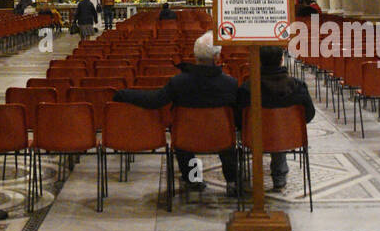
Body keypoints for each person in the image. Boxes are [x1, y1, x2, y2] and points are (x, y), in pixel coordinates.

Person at [114, 31, 239, 194]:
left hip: (187, 140)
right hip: (221, 139)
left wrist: (124, 94)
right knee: (226, 132)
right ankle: (232, 181)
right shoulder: (230, 83)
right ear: (217, 58)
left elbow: (154, 100)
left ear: (195, 56)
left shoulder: (179, 82)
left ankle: (193, 180)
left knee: (183, 134)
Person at [236, 45, 316, 191]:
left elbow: (238, 119)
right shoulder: (298, 86)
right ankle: (279, 176)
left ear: (259, 61)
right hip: (289, 137)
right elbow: (309, 114)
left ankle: (246, 175)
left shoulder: (248, 88)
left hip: (253, 137)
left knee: (265, 129)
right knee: (278, 130)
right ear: (281, 60)